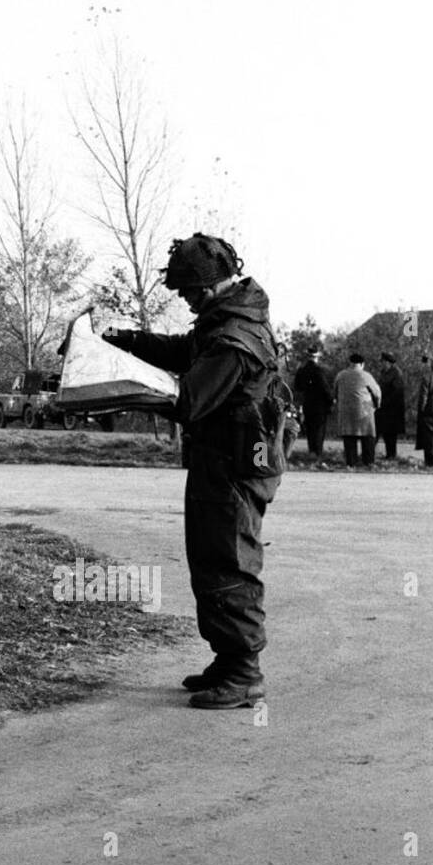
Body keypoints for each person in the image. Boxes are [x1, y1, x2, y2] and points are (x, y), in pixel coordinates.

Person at [102, 233, 282, 710]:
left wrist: (117, 387)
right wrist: (127, 341)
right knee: (209, 556)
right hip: (222, 458)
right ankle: (227, 661)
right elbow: (184, 350)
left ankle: (244, 673)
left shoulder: (234, 339)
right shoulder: (224, 320)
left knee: (230, 560)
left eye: (187, 292)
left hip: (236, 464)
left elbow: (188, 400)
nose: (184, 300)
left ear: (207, 286)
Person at [334, 353, 380, 468]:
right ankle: (368, 462)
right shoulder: (366, 376)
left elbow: (335, 391)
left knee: (349, 438)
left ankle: (351, 463)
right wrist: (376, 406)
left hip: (346, 413)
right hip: (364, 412)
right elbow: (377, 393)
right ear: (362, 364)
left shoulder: (340, 375)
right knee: (368, 438)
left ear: (350, 363)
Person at [293, 347, 333, 458]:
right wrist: (331, 399)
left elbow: (297, 387)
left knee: (310, 429)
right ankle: (318, 453)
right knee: (319, 430)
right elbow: (324, 387)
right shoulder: (318, 370)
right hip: (319, 404)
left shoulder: (302, 370)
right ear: (316, 357)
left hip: (307, 403)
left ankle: (311, 451)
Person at [375, 352, 405, 461]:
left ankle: (391, 456)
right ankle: (373, 456)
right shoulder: (384, 372)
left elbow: (396, 392)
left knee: (391, 435)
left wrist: (384, 401)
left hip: (392, 410)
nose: (381, 364)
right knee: (380, 432)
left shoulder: (396, 373)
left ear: (388, 362)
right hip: (382, 408)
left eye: (383, 361)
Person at [415, 354, 433, 466]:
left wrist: (421, 410)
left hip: (430, 411)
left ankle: (430, 462)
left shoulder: (427, 377)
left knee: (429, 438)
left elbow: (423, 397)